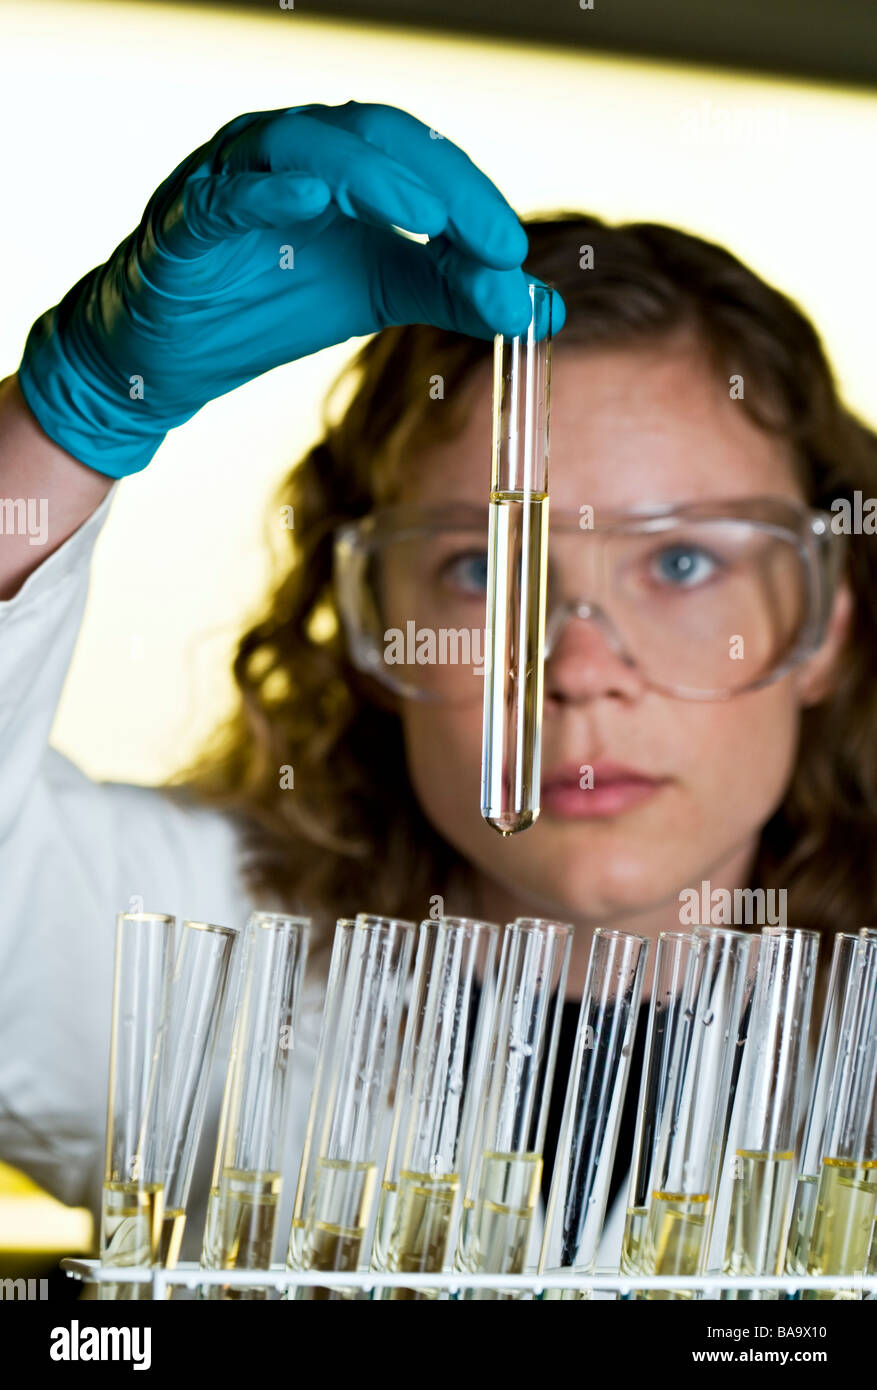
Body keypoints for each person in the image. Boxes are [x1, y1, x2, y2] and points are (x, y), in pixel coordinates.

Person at [1, 101, 874, 1277]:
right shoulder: (192, 944)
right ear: (373, 622)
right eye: (482, 569)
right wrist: (68, 419)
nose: (574, 673)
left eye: (681, 560)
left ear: (821, 618)